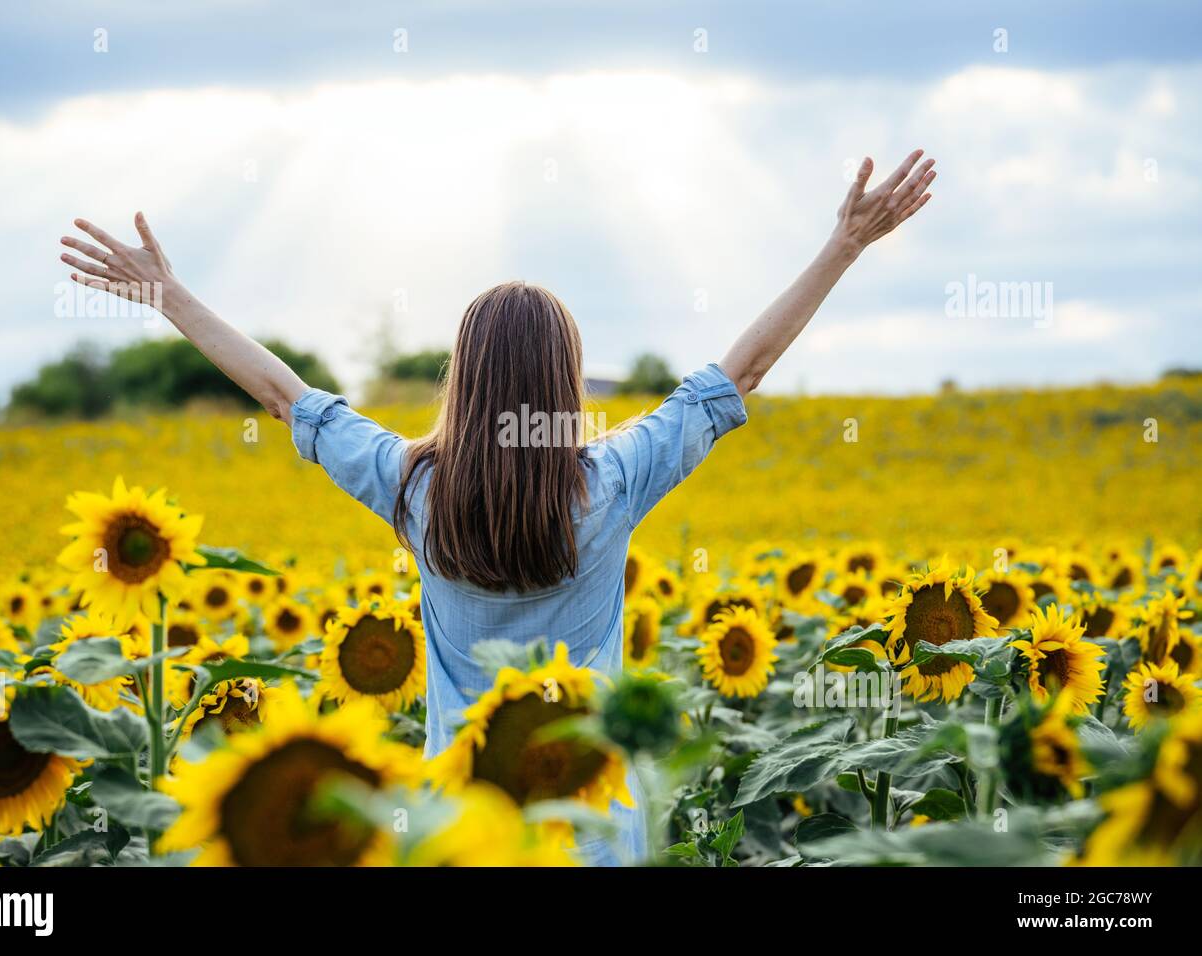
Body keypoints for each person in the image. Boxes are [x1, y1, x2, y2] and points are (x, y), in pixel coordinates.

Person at [60, 148, 936, 864]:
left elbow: (284, 395)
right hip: (598, 831)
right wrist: (844, 247)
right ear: (564, 378)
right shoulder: (615, 479)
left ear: (464, 379)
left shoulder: (414, 489)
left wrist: (168, 296)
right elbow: (738, 375)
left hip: (462, 833)